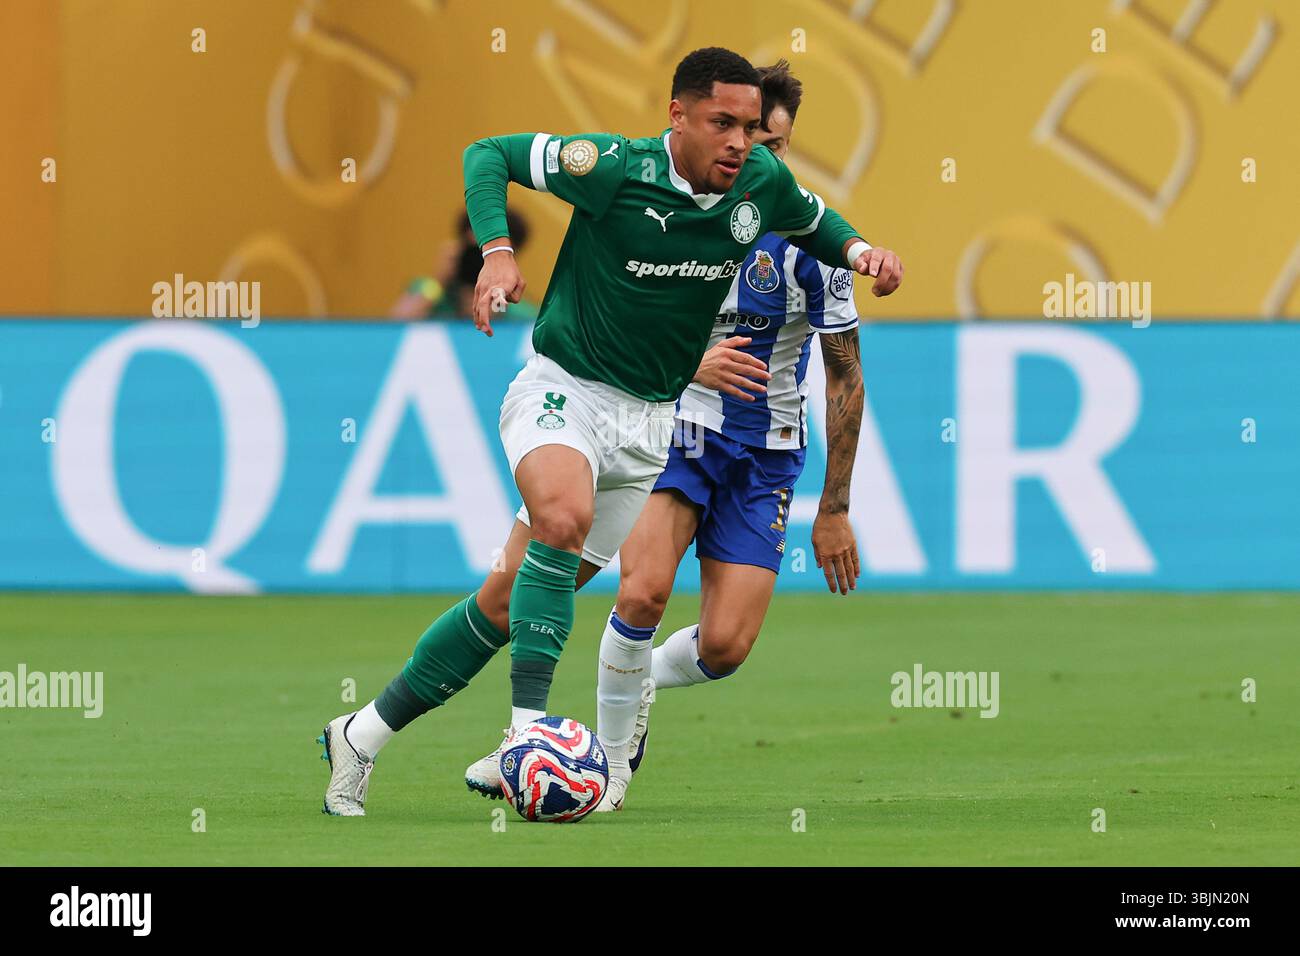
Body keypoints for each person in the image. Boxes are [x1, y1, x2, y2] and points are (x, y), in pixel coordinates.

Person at [319, 47, 902, 816]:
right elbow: (487, 154)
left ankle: (360, 733)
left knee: (503, 604)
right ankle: (526, 739)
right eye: (722, 124)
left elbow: (819, 223)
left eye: (750, 128)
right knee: (562, 518)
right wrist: (496, 255)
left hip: (647, 426)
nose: (739, 142)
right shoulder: (611, 168)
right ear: (678, 116)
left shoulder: (761, 186)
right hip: (565, 392)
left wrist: (864, 253)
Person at [593, 60, 879, 811]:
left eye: (771, 142)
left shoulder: (816, 247)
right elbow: (617, 326)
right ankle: (608, 769)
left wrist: (836, 507)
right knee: (644, 589)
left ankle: (632, 683)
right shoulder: (672, 217)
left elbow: (845, 377)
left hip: (766, 453)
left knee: (725, 648)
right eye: (742, 134)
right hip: (675, 427)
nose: (755, 154)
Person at [389, 210, 535, 320]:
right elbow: (394, 327)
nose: (478, 261)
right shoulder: (428, 290)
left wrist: (496, 306)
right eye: (475, 251)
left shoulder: (523, 315)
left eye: (490, 254)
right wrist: (437, 282)